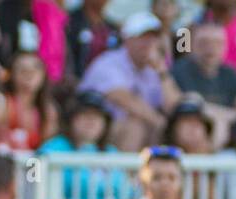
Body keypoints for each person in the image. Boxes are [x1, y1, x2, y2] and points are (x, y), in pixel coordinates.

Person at [77, 10, 180, 152]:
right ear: (127, 40)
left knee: (182, 128)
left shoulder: (154, 68)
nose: (148, 43)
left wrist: (162, 72)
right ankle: (126, 174)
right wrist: (160, 122)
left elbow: (175, 107)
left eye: (153, 37)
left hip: (143, 130)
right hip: (94, 128)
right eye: (142, 37)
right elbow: (124, 98)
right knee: (136, 126)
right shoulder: (108, 62)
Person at [37, 92, 126, 199]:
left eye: (97, 116)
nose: (91, 121)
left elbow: (131, 196)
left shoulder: (112, 152)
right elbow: (39, 188)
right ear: (71, 119)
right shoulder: (53, 149)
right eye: (84, 114)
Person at [4, 50, 57, 150]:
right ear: (11, 75)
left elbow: (47, 148)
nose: (29, 74)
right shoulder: (5, 104)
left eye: (36, 69)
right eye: (22, 69)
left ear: (43, 75)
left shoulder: (48, 110)